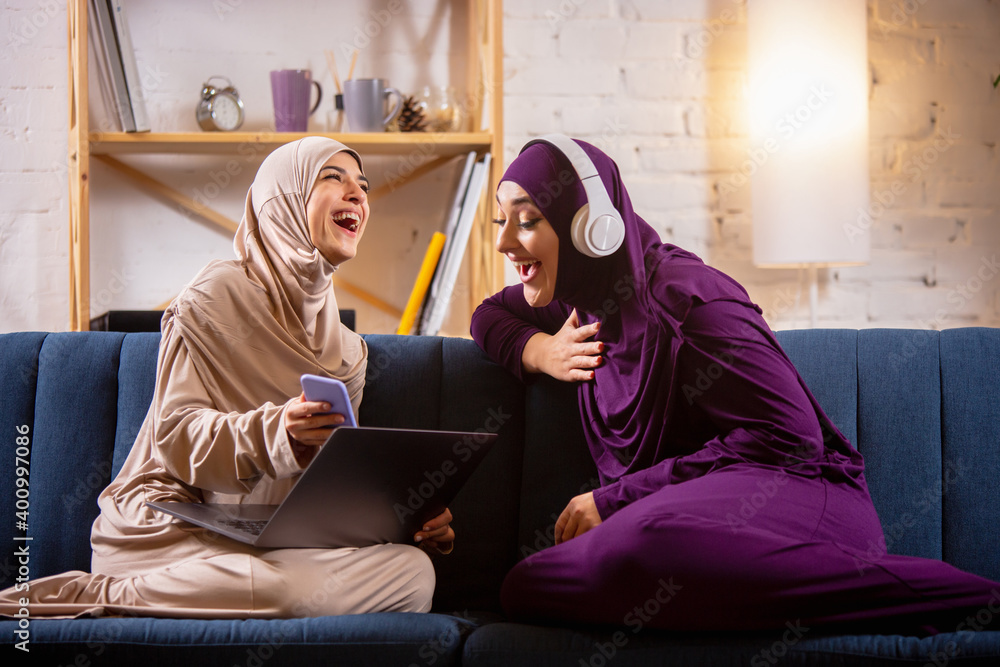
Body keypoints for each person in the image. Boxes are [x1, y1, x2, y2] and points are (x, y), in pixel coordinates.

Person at [471, 135, 1000, 634]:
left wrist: (616, 500)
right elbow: (489, 316)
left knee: (644, 542)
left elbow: (792, 441)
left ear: (592, 225)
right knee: (526, 586)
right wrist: (542, 351)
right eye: (501, 221)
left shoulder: (692, 301)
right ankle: (747, 600)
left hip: (800, 498)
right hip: (679, 529)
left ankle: (978, 600)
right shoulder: (577, 299)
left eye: (527, 220)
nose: (501, 242)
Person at [0, 137, 452, 619]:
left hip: (267, 538)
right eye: (332, 178)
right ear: (282, 199)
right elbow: (176, 435)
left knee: (413, 572)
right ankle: (102, 592)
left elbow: (328, 483)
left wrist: (404, 516)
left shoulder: (349, 351)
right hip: (172, 527)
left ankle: (241, 592)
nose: (358, 194)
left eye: (362, 186)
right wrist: (276, 433)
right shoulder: (215, 295)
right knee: (275, 590)